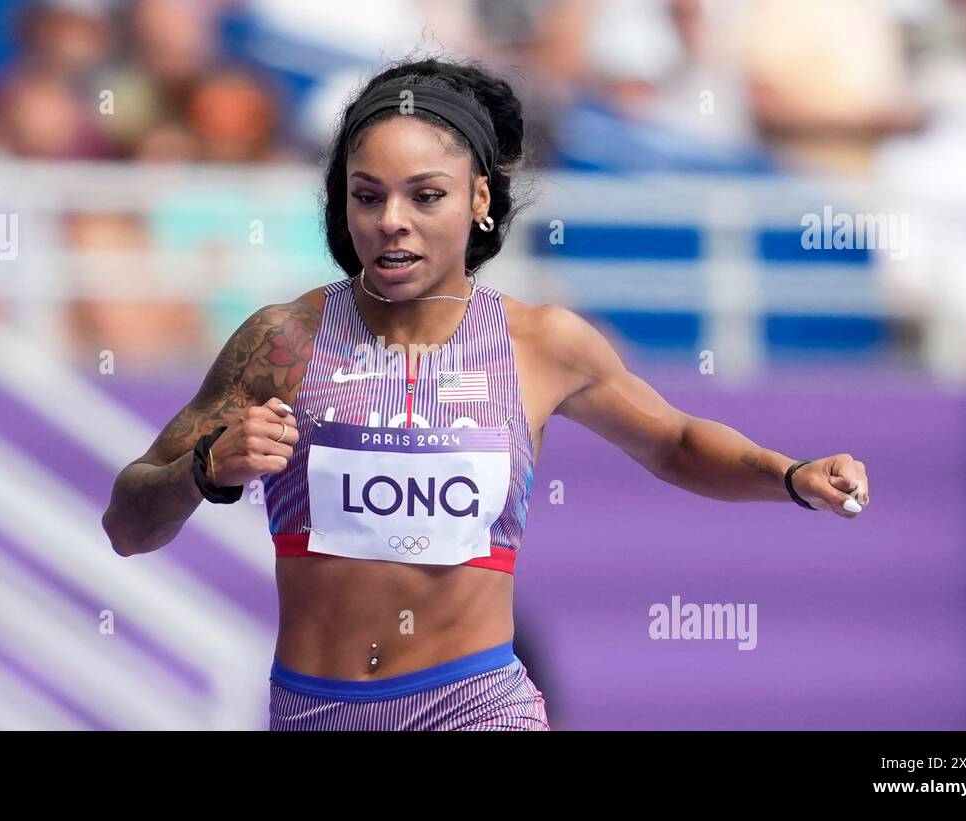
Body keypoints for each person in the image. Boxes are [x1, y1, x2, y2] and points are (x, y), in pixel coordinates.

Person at [101, 56, 871, 731]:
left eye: (424, 196)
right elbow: (127, 523)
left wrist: (789, 475)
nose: (392, 222)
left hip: (473, 705)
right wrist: (204, 468)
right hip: (311, 709)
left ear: (479, 198)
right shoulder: (281, 343)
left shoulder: (542, 344)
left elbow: (672, 442)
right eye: (367, 196)